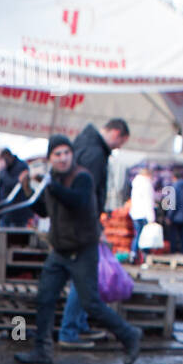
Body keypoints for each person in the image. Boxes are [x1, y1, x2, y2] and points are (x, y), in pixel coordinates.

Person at [14, 134, 141, 364]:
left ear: (72, 155)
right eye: (57, 154)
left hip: (83, 249)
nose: (62, 159)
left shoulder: (82, 177)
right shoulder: (52, 180)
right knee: (44, 298)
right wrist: (28, 186)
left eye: (66, 153)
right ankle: (42, 350)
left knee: (91, 302)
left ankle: (129, 334)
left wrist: (49, 185)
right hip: (60, 249)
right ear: (50, 158)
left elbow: (77, 202)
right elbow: (43, 210)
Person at [59, 118, 130, 348]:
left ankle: (77, 326)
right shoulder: (95, 153)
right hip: (82, 226)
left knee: (82, 278)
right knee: (83, 278)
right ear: (115, 133)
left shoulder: (86, 144)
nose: (118, 148)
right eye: (120, 143)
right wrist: (95, 227)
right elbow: (86, 192)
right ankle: (70, 331)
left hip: (74, 224)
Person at [0, 147, 34, 228]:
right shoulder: (7, 169)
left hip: (17, 213)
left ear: (6, 156)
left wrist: (2, 171)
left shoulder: (21, 166)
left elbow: (12, 184)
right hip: (5, 212)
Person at [129, 167, 155, 265]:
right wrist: (151, 217)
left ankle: (133, 254)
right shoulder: (146, 184)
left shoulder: (135, 184)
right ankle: (144, 257)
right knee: (144, 237)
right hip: (144, 213)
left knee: (137, 235)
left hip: (135, 213)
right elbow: (148, 201)